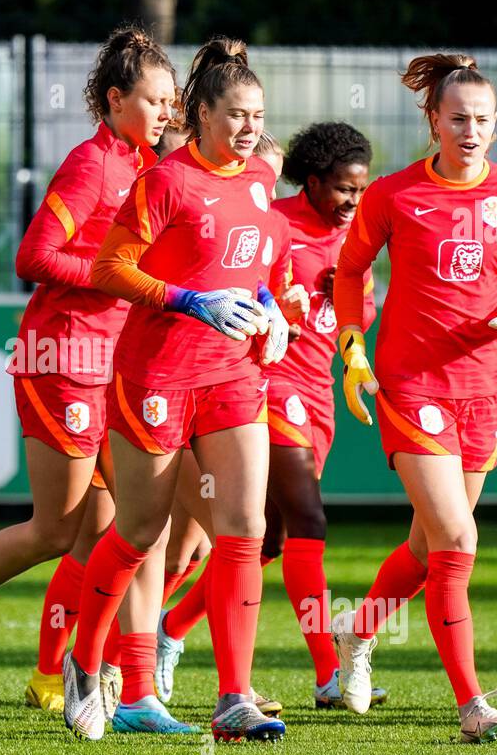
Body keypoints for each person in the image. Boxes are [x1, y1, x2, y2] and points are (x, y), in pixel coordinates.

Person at [0, 27, 177, 720]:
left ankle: (113, 687)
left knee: (123, 536)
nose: (168, 112)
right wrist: (118, 279)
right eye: (156, 100)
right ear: (116, 100)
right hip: (64, 356)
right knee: (58, 531)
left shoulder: (151, 169)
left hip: (118, 360)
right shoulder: (92, 165)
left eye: (173, 101)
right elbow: (34, 256)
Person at [61, 36, 292, 742]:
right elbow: (108, 268)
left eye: (258, 115)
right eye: (236, 115)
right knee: (138, 532)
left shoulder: (258, 180)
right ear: (200, 113)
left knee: (246, 528)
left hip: (232, 373)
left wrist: (271, 308)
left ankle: (234, 699)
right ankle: (83, 662)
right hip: (156, 373)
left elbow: (256, 259)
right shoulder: (166, 181)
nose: (250, 128)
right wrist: (188, 300)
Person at [331, 53, 497, 744]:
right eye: (457, 118)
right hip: (412, 385)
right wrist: (353, 348)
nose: (470, 130)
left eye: (482, 120)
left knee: (428, 548)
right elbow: (349, 271)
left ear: (495, 127)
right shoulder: (393, 195)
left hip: (484, 387)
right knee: (458, 541)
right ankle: (472, 707)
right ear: (432, 120)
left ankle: (355, 632)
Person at [155, 122, 390, 713]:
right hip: (267, 383)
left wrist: (351, 301)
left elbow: (355, 316)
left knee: (263, 542)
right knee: (308, 521)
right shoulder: (273, 218)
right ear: (311, 183)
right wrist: (281, 301)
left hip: (318, 393)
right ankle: (328, 675)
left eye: (361, 191)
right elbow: (239, 281)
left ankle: (169, 630)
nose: (353, 203)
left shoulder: (356, 236)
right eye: (343, 190)